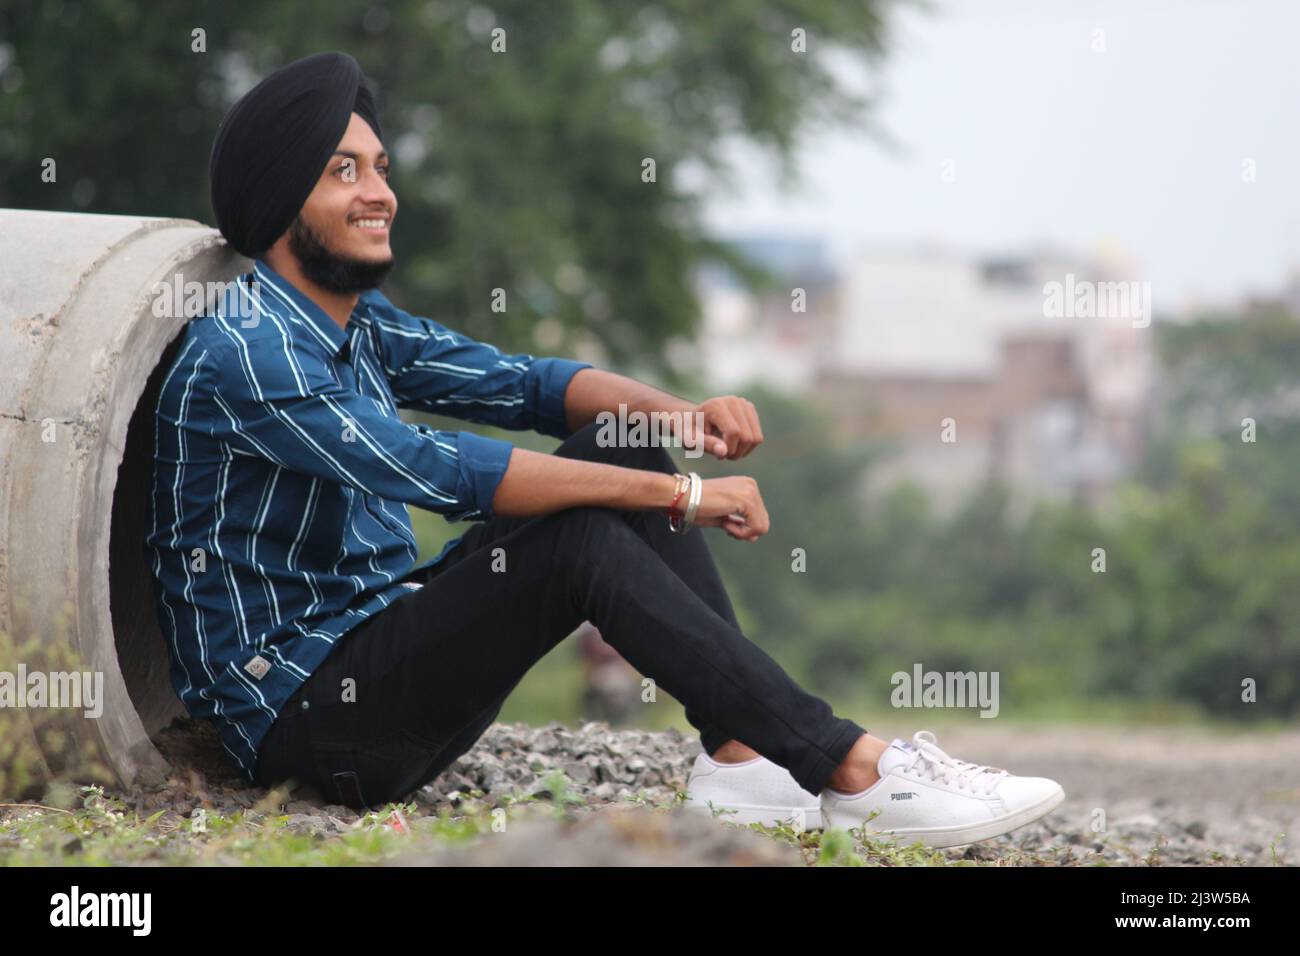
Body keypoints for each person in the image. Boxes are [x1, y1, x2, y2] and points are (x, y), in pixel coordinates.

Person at [147, 51, 1063, 847]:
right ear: (281, 200)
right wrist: (685, 500)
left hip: (384, 658)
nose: (381, 192)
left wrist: (679, 418)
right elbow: (441, 471)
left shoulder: (355, 324)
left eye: (381, 166)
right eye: (344, 171)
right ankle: (856, 768)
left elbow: (529, 384)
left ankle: (743, 762)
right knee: (582, 536)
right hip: (309, 726)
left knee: (622, 452)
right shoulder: (249, 349)